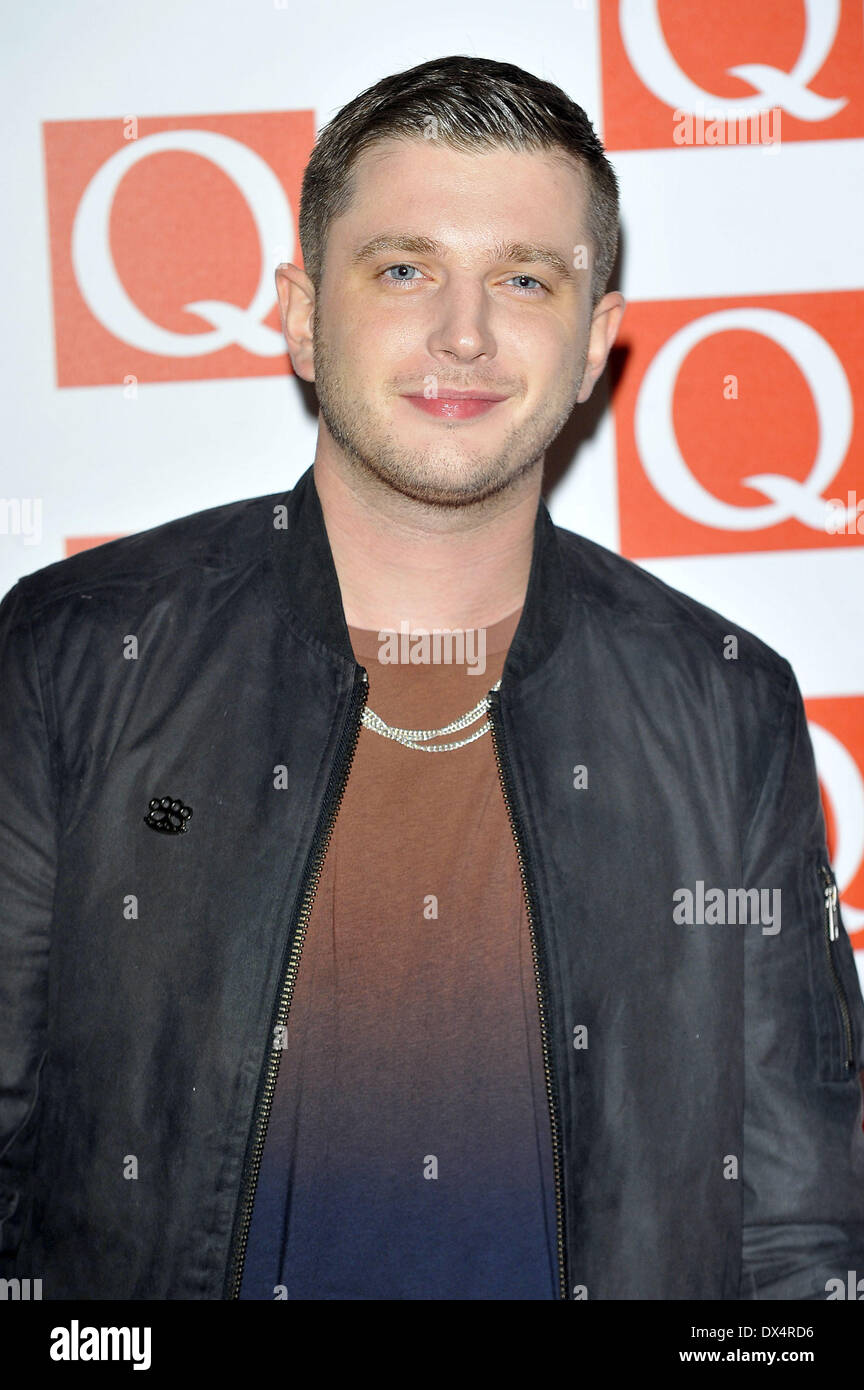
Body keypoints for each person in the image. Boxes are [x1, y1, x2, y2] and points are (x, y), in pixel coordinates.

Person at [1, 54, 862, 1302]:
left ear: (596, 344)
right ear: (301, 313)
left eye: (524, 278)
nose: (464, 333)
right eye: (403, 269)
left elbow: (793, 1233)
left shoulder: (724, 701)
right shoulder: (72, 654)